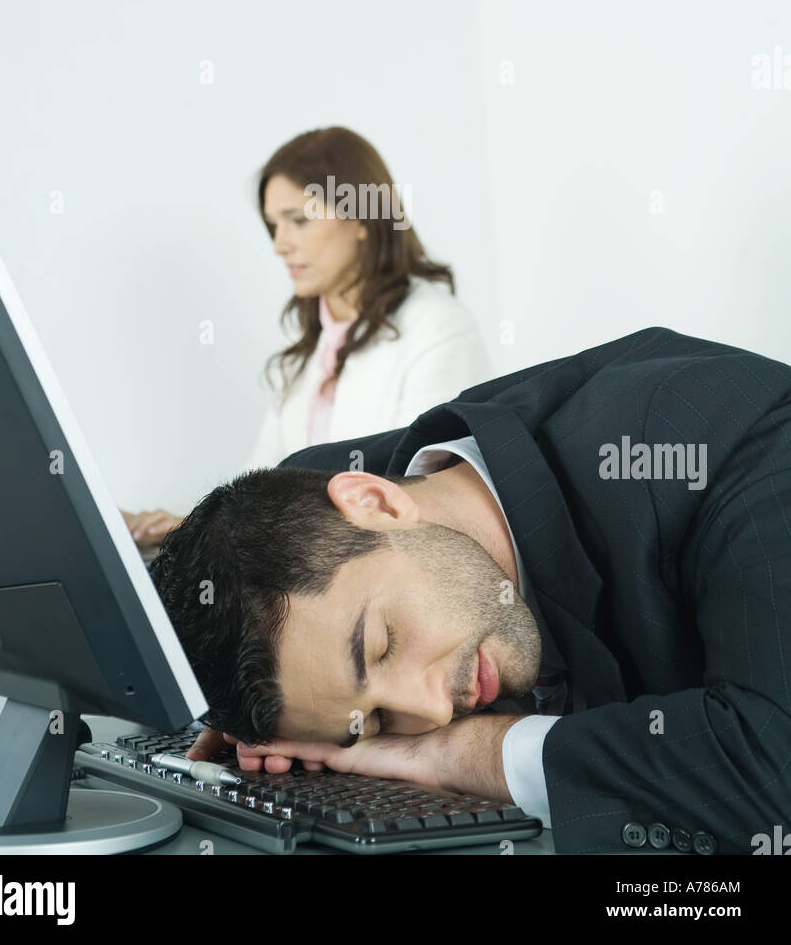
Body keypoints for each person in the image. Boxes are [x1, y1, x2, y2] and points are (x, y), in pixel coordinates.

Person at [150, 324, 791, 855]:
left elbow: (772, 772)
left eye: (381, 647)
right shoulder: (311, 516)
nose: (426, 714)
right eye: (372, 722)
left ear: (377, 501)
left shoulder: (717, 440)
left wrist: (462, 754)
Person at [124, 125, 490, 546]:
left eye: (298, 220)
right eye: (273, 225)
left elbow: (407, 492)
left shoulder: (437, 327)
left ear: (361, 219)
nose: (280, 244)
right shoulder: (305, 357)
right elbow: (260, 483)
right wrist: (185, 529)